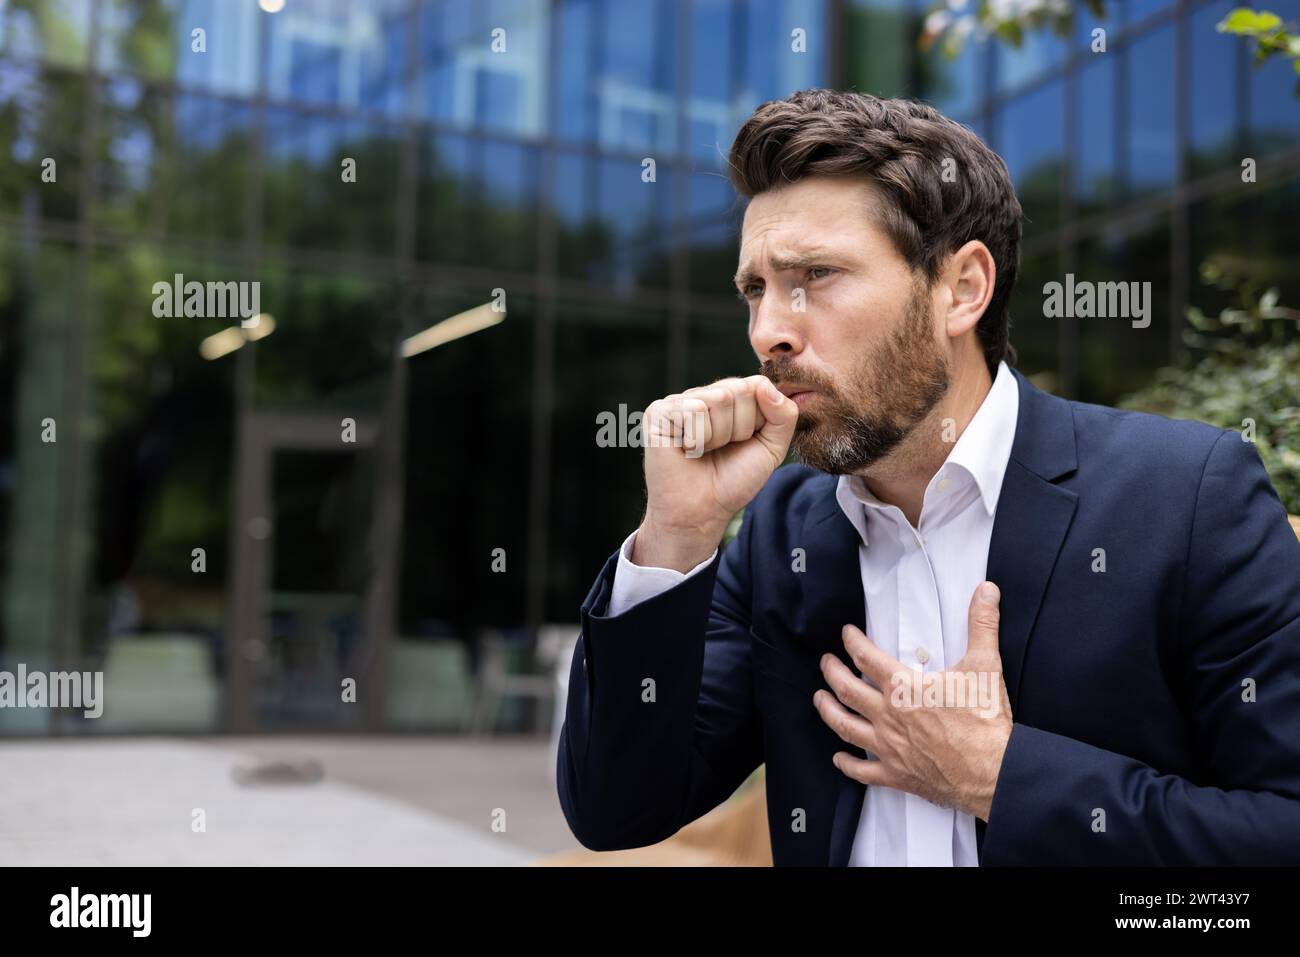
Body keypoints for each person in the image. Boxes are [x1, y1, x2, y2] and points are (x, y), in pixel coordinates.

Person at [556, 90, 1300, 865]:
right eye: (756, 289)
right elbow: (618, 810)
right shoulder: (782, 528)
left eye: (815, 274)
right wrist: (677, 535)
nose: (768, 329)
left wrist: (1002, 777)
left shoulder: (1186, 495)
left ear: (962, 289)